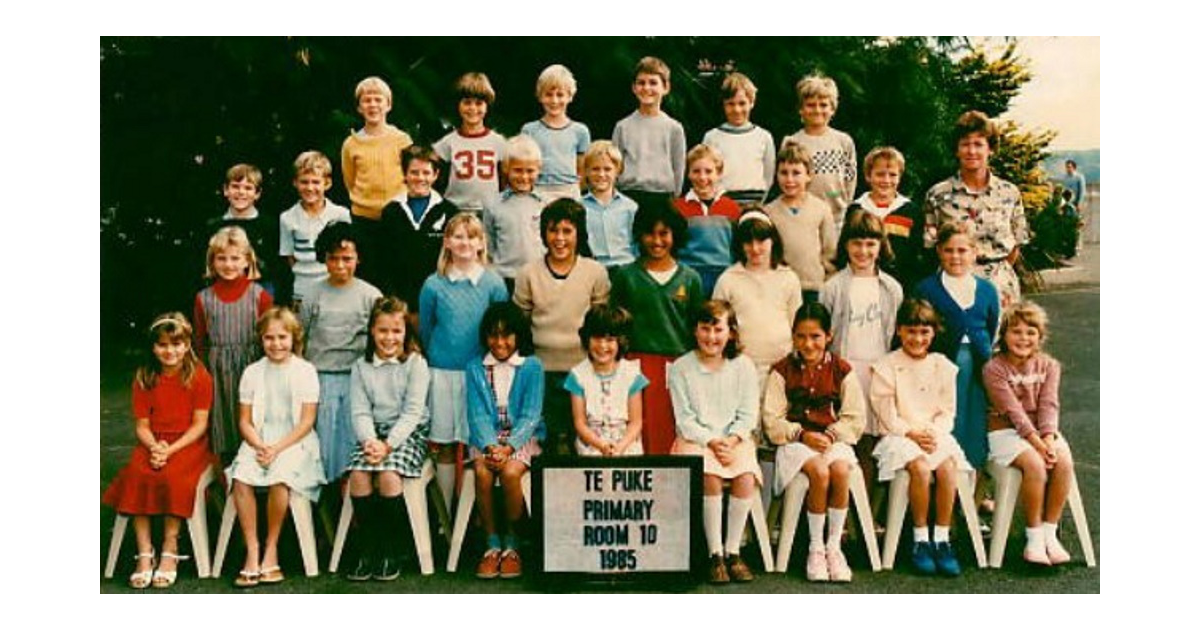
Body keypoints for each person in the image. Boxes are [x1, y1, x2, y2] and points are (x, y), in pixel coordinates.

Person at [102, 313, 215, 589]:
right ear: (152, 347)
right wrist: (154, 446)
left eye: (176, 344)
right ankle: (144, 551)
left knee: (173, 477)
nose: (170, 351)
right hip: (153, 441)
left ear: (187, 345)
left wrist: (170, 450)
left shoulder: (199, 377)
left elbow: (200, 424)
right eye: (162, 345)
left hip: (188, 443)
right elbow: (142, 425)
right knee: (137, 474)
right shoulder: (145, 377)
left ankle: (170, 546)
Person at [761, 302, 866, 582]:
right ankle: (815, 547)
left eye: (816, 336)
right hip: (795, 442)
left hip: (831, 438)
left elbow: (855, 416)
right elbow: (772, 419)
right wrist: (801, 434)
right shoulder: (782, 370)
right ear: (793, 337)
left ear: (829, 336)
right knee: (820, 471)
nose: (808, 344)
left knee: (840, 470)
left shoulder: (841, 369)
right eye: (801, 336)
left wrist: (831, 434)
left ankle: (834, 547)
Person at [869, 298, 970, 577]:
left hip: (932, 434)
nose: (917, 338)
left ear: (934, 333)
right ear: (899, 331)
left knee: (948, 466)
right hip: (898, 436)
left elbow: (947, 412)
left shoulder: (942, 366)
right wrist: (910, 433)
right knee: (921, 468)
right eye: (911, 331)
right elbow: (886, 413)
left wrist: (932, 433)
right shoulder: (887, 366)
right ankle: (920, 539)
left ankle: (942, 538)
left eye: (924, 332)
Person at [227, 307, 325, 587]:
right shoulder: (252, 372)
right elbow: (244, 421)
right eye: (269, 338)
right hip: (258, 439)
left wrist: (277, 449)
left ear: (294, 338)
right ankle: (252, 549)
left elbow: (306, 421)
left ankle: (272, 549)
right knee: (241, 477)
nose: (276, 344)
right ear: (261, 339)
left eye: (282, 337)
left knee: (279, 478)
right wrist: (260, 445)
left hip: (294, 441)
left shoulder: (305, 371)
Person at [418, 213, 508, 510]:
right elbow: (426, 329)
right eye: (457, 236)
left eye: (471, 237)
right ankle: (446, 514)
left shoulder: (493, 284)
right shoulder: (433, 284)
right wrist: (439, 356)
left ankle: (476, 515)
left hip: (480, 373)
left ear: (481, 243)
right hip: (442, 373)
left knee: (477, 443)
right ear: (446, 242)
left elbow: (500, 329)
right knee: (445, 444)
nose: (464, 242)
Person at [668, 300, 762, 584]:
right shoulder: (681, 367)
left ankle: (733, 552)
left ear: (731, 332)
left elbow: (748, 414)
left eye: (718, 329)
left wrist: (731, 440)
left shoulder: (744, 366)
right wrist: (711, 441)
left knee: (745, 475)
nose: (711, 337)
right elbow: (684, 419)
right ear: (695, 331)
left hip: (734, 439)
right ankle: (715, 554)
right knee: (709, 475)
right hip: (695, 440)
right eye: (705, 329)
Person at [343, 297, 432, 581]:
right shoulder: (361, 367)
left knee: (388, 476)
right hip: (373, 435)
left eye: (396, 331)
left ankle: (392, 548)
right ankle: (368, 548)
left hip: (407, 434)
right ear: (371, 331)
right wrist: (370, 441)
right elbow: (359, 411)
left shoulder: (416, 364)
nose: (389, 338)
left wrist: (388, 444)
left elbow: (413, 412)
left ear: (406, 332)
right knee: (358, 475)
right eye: (382, 330)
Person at [513, 199, 611, 455]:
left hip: (584, 370)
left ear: (579, 233)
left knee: (581, 441)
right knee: (548, 442)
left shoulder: (595, 272)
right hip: (541, 371)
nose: (559, 238)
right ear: (544, 233)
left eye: (567, 231)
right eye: (553, 230)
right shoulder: (528, 273)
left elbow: (601, 325)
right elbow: (521, 326)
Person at [983, 301, 1075, 565]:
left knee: (1063, 460)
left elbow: (1049, 404)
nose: (1023, 338)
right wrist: (1037, 444)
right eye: (1016, 331)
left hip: (1041, 433)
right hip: (1004, 432)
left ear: (1040, 337)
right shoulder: (994, 368)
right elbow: (1013, 412)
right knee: (1034, 464)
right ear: (1004, 335)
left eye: (1030, 332)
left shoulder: (1049, 366)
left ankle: (1049, 532)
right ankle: (1033, 536)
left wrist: (1048, 439)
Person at [819, 209, 903, 494]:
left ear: (881, 246)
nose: (863, 251)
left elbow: (894, 336)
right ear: (845, 245)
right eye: (856, 243)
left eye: (870, 244)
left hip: (877, 372)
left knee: (873, 442)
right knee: (845, 439)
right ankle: (842, 506)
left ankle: (867, 507)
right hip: (845, 372)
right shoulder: (832, 288)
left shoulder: (892, 288)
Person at [610, 201, 704, 455]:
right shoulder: (626, 276)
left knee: (671, 432)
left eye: (664, 233)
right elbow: (615, 328)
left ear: (675, 235)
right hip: (635, 364)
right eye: (650, 233)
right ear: (639, 235)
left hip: (678, 365)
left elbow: (697, 329)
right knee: (637, 433)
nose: (657, 241)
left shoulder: (690, 279)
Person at [467, 302, 545, 579]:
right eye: (493, 335)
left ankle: (512, 544)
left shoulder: (532, 366)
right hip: (487, 438)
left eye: (506, 335)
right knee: (482, 472)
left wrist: (509, 447)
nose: (499, 342)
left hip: (522, 437)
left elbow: (531, 414)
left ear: (518, 335)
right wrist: (491, 447)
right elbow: (477, 415)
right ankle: (491, 544)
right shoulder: (475, 367)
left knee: (511, 473)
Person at [914, 222, 1000, 474]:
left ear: (974, 252)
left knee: (974, 421)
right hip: (941, 367)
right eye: (948, 250)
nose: (955, 257)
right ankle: (945, 480)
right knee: (949, 420)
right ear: (939, 251)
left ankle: (972, 479)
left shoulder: (986, 290)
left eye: (962, 250)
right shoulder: (926, 289)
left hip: (978, 367)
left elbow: (991, 325)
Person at [300, 222, 382, 483]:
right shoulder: (312, 295)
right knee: (323, 440)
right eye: (333, 258)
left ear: (358, 258)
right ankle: (326, 493)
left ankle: (354, 494)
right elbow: (300, 338)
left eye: (347, 259)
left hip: (356, 378)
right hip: (320, 377)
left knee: (352, 437)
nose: (340, 265)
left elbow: (379, 342)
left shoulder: (370, 296)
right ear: (324, 258)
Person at [923, 111, 1029, 307]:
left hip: (1000, 289)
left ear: (991, 149)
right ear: (957, 150)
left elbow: (1016, 245)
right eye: (965, 144)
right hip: (952, 288)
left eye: (978, 144)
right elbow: (931, 246)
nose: (971, 151)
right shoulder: (937, 195)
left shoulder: (1009, 193)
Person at [194, 226, 272, 462]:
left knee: (254, 420)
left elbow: (270, 336)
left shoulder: (260, 295)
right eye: (221, 258)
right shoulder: (203, 298)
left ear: (247, 260)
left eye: (235, 258)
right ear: (212, 261)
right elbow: (200, 341)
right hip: (217, 372)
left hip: (252, 367)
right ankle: (224, 474)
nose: (228, 264)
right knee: (221, 424)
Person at [712, 208, 802, 387]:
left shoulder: (788, 278)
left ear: (773, 240)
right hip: (740, 369)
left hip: (782, 368)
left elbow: (797, 324)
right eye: (748, 242)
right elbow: (717, 326)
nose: (755, 248)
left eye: (761, 241)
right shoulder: (728, 279)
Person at [340, 76, 414, 289]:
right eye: (367, 100)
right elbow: (349, 179)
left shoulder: (402, 140)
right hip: (364, 219)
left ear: (388, 105)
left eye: (378, 99)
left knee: (397, 272)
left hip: (397, 216)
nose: (373, 105)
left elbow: (411, 176)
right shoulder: (351, 144)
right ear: (359, 107)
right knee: (368, 275)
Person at [378, 145, 459, 307]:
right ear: (405, 174)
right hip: (400, 299)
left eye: (426, 173)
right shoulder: (391, 211)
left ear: (435, 175)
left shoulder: (449, 211)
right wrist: (392, 298)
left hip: (438, 297)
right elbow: (383, 260)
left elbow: (453, 260)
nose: (420, 178)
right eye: (414, 172)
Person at [566, 305, 648, 456]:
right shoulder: (577, 376)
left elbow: (636, 422)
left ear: (621, 341)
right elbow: (580, 423)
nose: (602, 345)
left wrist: (620, 447)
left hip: (626, 443)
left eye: (610, 340)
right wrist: (601, 445)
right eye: (597, 338)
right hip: (592, 444)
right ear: (587, 338)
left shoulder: (632, 374)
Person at [780, 74, 857, 232]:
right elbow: (786, 180)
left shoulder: (844, 141)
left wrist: (843, 202)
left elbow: (850, 178)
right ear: (801, 109)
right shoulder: (791, 142)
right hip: (802, 218)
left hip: (837, 219)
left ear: (832, 109)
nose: (817, 110)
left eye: (823, 105)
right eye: (811, 105)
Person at [846, 146, 929, 291]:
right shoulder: (856, 209)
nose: (886, 180)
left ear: (900, 177)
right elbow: (845, 250)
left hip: (902, 285)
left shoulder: (911, 211)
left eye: (892, 175)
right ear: (868, 176)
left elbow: (917, 253)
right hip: (862, 283)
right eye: (880, 174)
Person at [612, 56, 687, 213]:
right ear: (634, 88)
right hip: (629, 196)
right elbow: (615, 166)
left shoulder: (674, 128)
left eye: (653, 83)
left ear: (666, 87)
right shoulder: (622, 127)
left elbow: (678, 167)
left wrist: (675, 196)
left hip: (662, 197)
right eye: (641, 83)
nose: (646, 88)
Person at [764, 144, 837, 305]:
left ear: (809, 175)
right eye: (784, 173)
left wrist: (827, 280)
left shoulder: (821, 209)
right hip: (780, 287)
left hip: (813, 287)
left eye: (796, 173)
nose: (789, 179)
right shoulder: (769, 212)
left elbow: (830, 251)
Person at [278, 150, 351, 309]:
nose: (310, 188)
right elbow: (289, 256)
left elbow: (348, 254)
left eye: (316, 182)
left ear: (327, 183)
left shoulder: (341, 214)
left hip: (334, 284)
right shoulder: (287, 218)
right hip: (301, 287)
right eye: (304, 182)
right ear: (295, 183)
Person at [674, 144, 743, 296]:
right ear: (688, 174)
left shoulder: (732, 208)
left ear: (719, 173)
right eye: (696, 171)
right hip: (688, 276)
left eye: (708, 171)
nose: (702, 177)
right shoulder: (677, 208)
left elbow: (738, 248)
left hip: (724, 277)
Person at [434, 72, 507, 215]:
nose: (473, 108)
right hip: (455, 210)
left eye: (479, 103)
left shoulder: (498, 142)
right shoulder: (448, 142)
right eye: (467, 102)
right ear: (458, 105)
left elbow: (505, 180)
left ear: (487, 106)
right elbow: (434, 176)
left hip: (489, 212)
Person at [207, 163, 282, 302]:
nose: (241, 192)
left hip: (261, 289)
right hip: (222, 288)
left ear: (257, 193)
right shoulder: (213, 226)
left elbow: (277, 267)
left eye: (248, 188)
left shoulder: (270, 225)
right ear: (225, 190)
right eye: (235, 186)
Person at [702, 71, 775, 207]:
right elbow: (706, 174)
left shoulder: (764, 137)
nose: (737, 109)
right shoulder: (711, 138)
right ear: (724, 105)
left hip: (755, 204)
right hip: (722, 204)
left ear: (752, 103)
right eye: (731, 104)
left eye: (742, 103)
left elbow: (768, 176)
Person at [520, 64, 590, 203]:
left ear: (570, 96)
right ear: (540, 96)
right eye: (548, 95)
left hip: (569, 191)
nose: (554, 101)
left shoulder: (580, 131)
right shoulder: (529, 130)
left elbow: (582, 169)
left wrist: (575, 190)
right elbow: (523, 165)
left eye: (560, 95)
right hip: (537, 190)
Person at [483, 135, 546, 290]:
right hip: (504, 277)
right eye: (517, 170)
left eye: (530, 171)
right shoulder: (493, 204)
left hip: (539, 277)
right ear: (506, 169)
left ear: (539, 170)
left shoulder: (545, 203)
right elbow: (489, 244)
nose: (524, 177)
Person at [580, 140, 638, 269]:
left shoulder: (630, 207)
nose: (601, 174)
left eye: (607, 169)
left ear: (617, 171)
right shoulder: (579, 207)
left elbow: (637, 244)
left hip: (626, 267)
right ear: (586, 172)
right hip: (594, 268)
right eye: (595, 169)